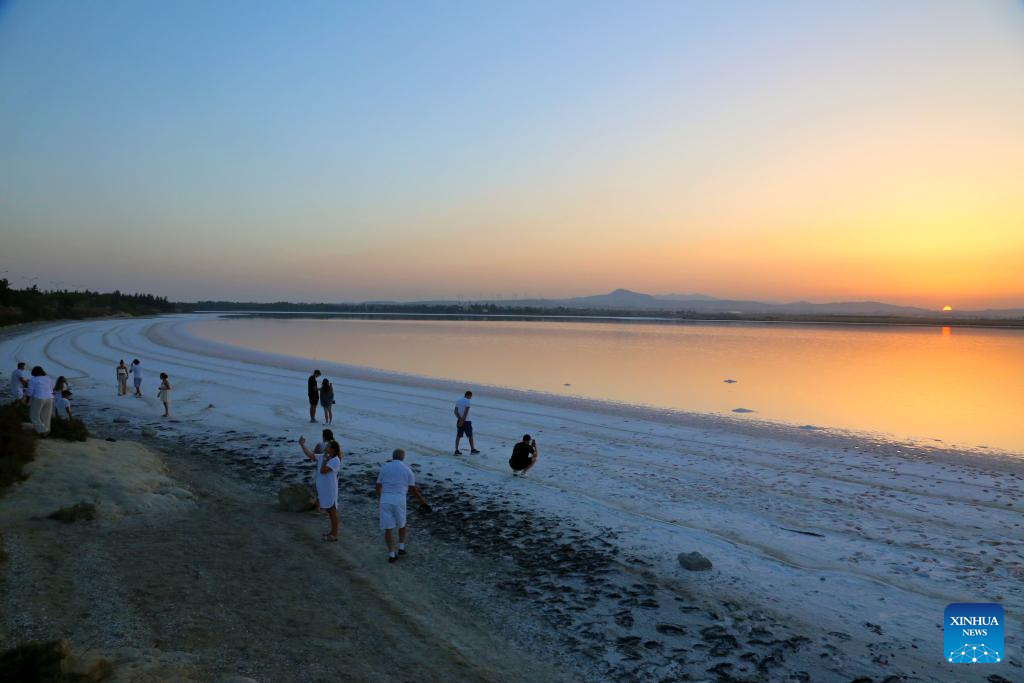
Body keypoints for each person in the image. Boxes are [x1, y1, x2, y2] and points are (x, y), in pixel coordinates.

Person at [376, 448, 431, 563]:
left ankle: (391, 554)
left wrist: (380, 498)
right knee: (402, 524)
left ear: (393, 456)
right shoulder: (407, 470)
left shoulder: (385, 467)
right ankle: (401, 547)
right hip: (399, 499)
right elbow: (412, 489)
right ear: (403, 457)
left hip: (385, 499)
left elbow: (378, 485)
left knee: (388, 528)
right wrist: (422, 502)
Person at [299, 435, 342, 541]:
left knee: (332, 511)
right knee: (329, 510)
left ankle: (334, 534)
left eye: (327, 447)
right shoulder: (324, 456)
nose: (325, 448)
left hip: (330, 489)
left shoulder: (335, 460)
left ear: (332, 449)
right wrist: (302, 445)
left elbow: (323, 470)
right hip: (323, 488)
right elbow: (311, 455)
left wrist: (324, 460)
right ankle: (332, 532)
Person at [27, 366, 53, 436]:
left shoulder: (33, 380)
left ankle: (42, 430)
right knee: (46, 415)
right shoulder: (48, 379)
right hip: (49, 398)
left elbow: (30, 392)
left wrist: (27, 400)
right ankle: (46, 430)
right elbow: (51, 390)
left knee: (34, 415)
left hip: (39, 398)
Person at [453, 390, 479, 455]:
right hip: (466, 421)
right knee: (470, 436)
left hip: (459, 420)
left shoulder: (458, 401)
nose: (471, 398)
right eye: (471, 396)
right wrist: (462, 420)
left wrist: (460, 419)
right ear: (468, 395)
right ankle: (472, 449)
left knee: (458, 436)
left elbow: (455, 412)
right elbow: (466, 412)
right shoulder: (467, 401)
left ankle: (456, 450)